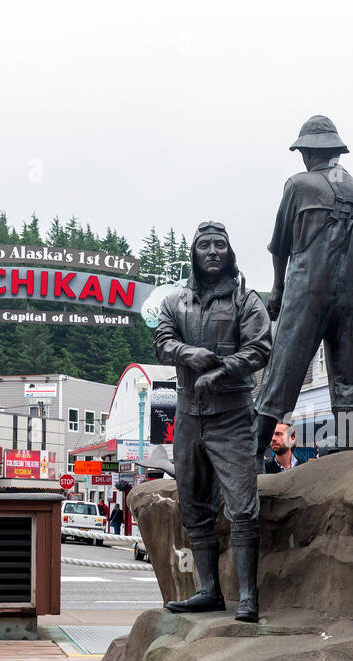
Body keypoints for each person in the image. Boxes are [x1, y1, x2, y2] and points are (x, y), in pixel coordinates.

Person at [154, 221, 272, 623]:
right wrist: (188, 354)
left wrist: (222, 371)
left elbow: (261, 349)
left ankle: (248, 598)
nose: (213, 251)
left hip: (232, 415)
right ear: (194, 254)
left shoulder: (245, 300)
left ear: (230, 252)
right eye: (204, 245)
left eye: (220, 245)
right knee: (194, 506)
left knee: (241, 507)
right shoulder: (176, 302)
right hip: (188, 414)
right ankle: (208, 591)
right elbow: (162, 340)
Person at [254, 116, 353, 459]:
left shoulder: (299, 185)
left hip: (306, 294)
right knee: (348, 378)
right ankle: (348, 450)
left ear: (307, 152)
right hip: (349, 299)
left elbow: (280, 246)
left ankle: (254, 451)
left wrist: (276, 292)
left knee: (281, 376)